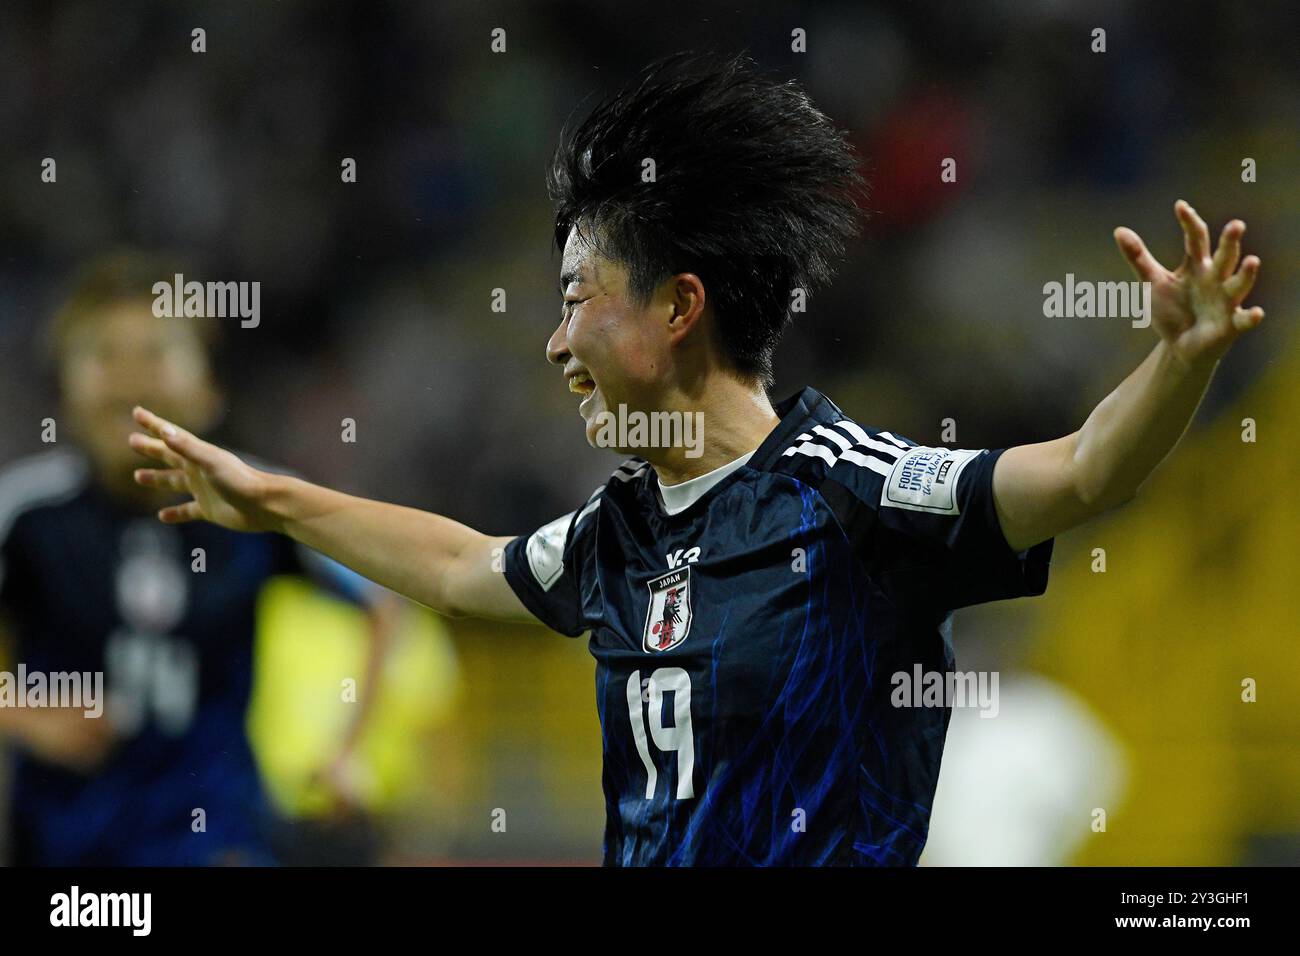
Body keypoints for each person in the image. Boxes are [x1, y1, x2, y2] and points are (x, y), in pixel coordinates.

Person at [126, 54, 1265, 866]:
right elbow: (464, 566)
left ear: (678, 305)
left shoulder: (851, 487)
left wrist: (1179, 361)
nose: (555, 341)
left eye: (576, 300)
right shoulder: (620, 529)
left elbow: (1078, 474)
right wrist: (270, 497)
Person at [0, 252, 396, 865]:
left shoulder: (260, 499)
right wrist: (21, 714)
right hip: (61, 844)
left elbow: (380, 600)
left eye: (156, 352)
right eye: (103, 354)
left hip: (218, 838)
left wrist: (346, 752)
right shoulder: (26, 515)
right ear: (63, 391)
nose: (130, 377)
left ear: (210, 388)